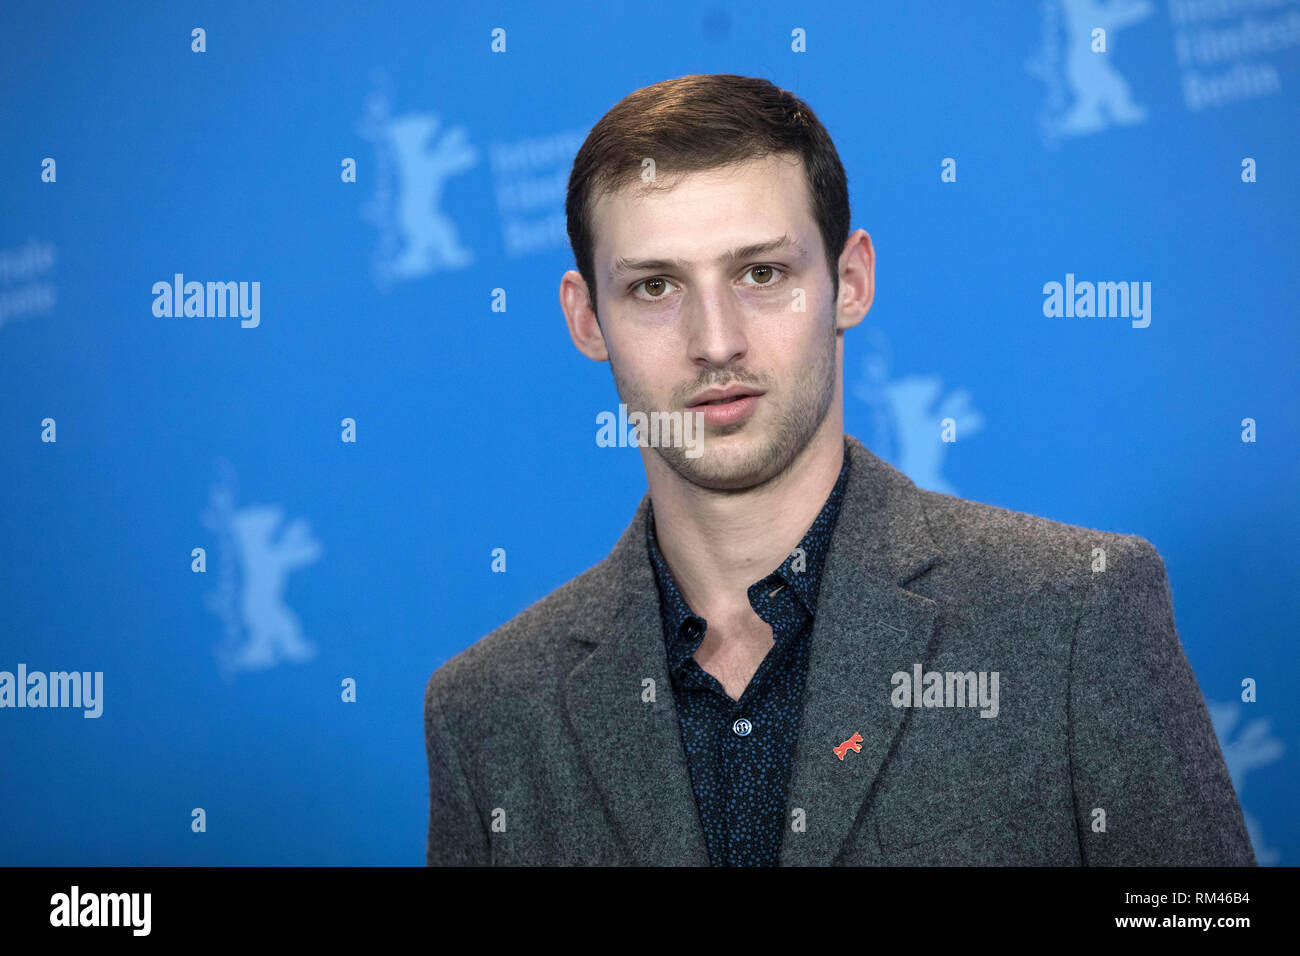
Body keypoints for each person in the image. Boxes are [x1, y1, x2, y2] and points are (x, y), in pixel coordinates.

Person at [424, 73, 1253, 866]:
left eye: (762, 273)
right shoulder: (490, 712)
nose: (716, 341)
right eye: (655, 287)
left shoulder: (1075, 615)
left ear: (849, 282)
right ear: (586, 318)